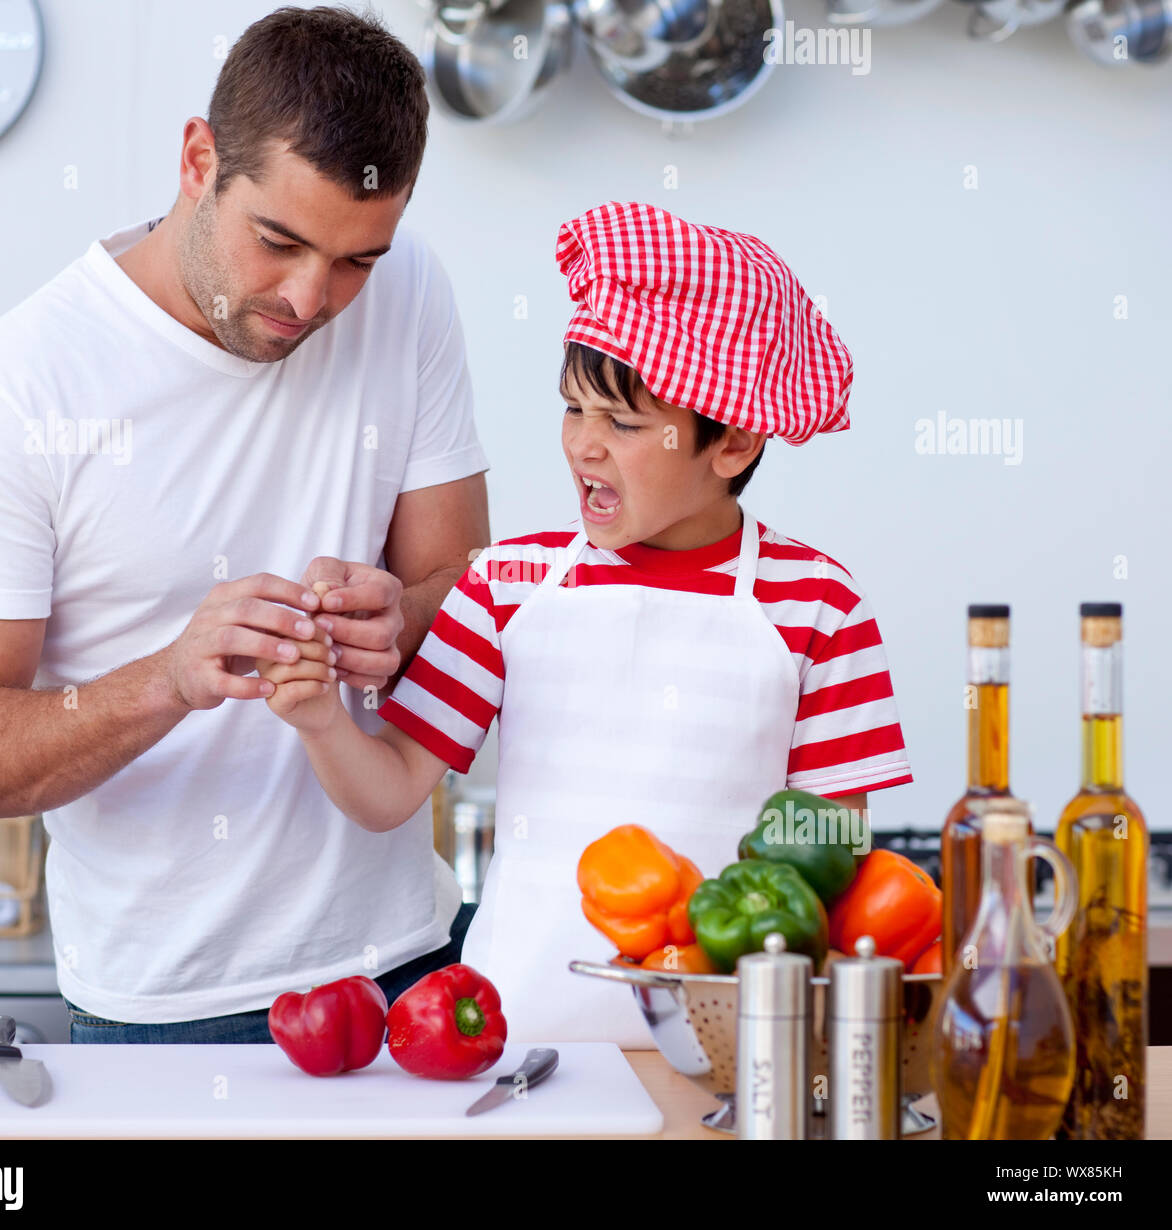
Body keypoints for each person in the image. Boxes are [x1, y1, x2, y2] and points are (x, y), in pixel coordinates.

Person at [0, 7, 489, 1043]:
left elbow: (464, 582)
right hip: (169, 1009)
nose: (313, 298)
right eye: (279, 242)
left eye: (356, 259)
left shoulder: (408, 289)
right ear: (198, 159)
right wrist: (167, 678)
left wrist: (402, 619)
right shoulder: (12, 394)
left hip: (412, 963)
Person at [258, 201, 915, 1046]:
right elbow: (388, 794)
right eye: (574, 409)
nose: (584, 446)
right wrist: (318, 721)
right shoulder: (509, 583)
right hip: (516, 1046)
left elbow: (832, 869)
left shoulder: (820, 606)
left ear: (735, 442)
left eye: (624, 423)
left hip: (729, 1047)